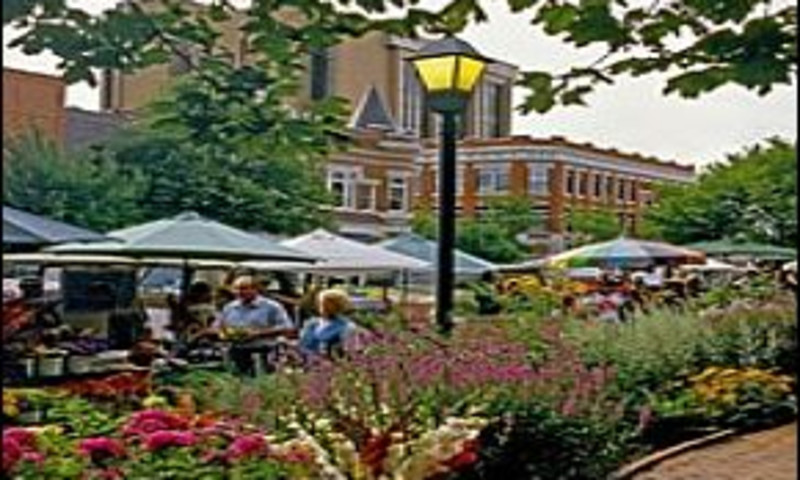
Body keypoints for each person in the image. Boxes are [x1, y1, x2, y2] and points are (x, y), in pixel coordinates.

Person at [209, 276, 297, 375]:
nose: (239, 292)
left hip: (263, 351)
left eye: (244, 289)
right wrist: (224, 334)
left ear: (255, 289)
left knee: (262, 382)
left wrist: (258, 333)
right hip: (237, 351)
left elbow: (287, 328)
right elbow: (218, 326)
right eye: (236, 289)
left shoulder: (271, 306)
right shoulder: (230, 307)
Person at [299, 289, 364, 359]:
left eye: (329, 304)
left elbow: (351, 353)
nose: (324, 307)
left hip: (325, 366)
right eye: (322, 304)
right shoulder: (311, 323)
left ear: (339, 306)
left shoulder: (347, 327)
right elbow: (302, 344)